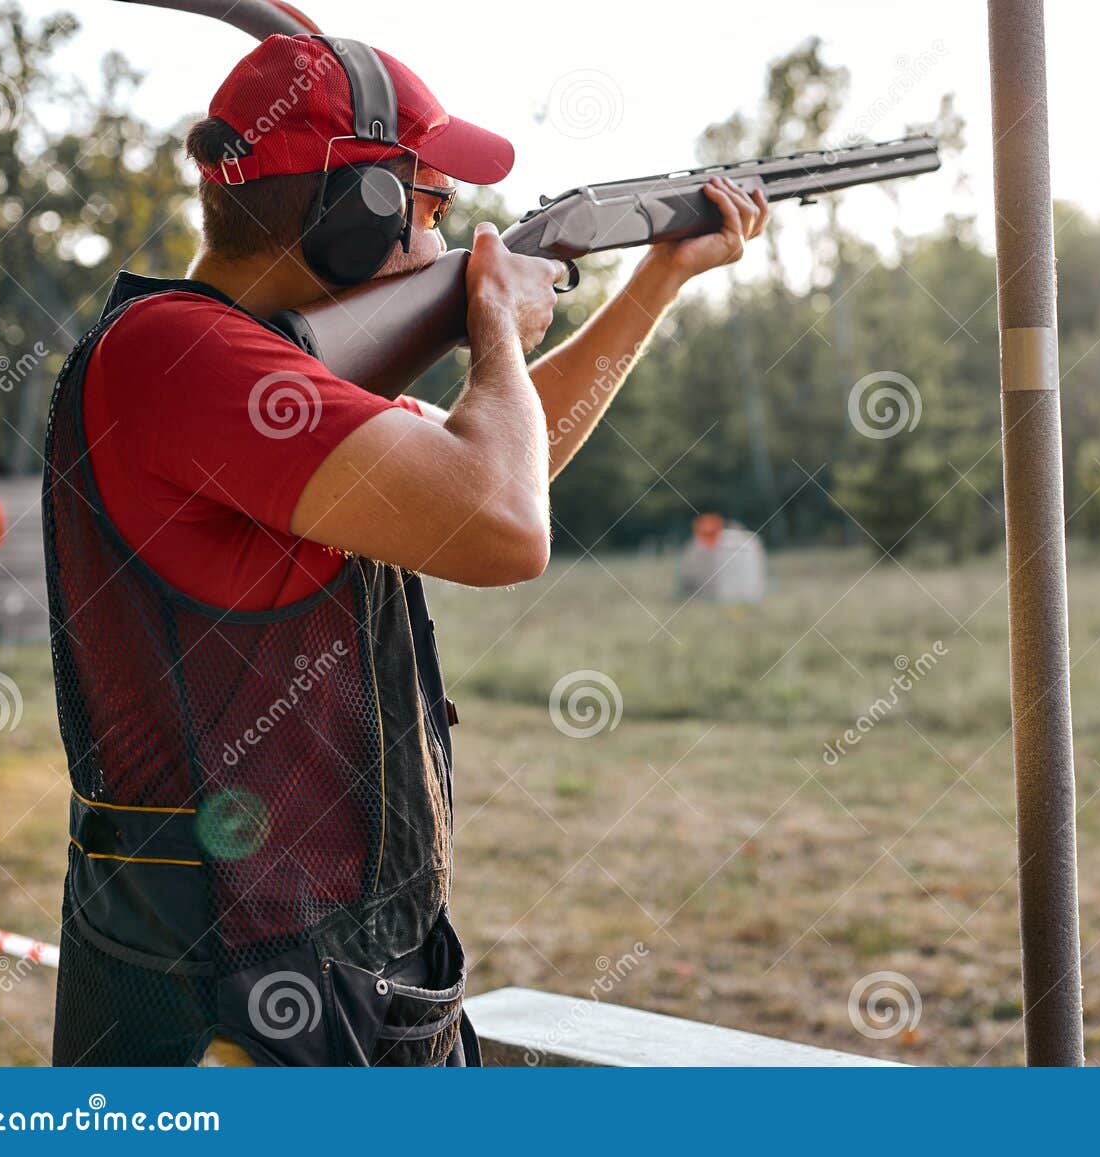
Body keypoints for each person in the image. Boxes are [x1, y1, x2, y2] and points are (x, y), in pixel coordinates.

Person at [42, 32, 767, 1067]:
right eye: (428, 206)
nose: (443, 239)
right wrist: (498, 330)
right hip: (237, 1008)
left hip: (336, 975)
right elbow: (503, 525)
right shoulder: (184, 357)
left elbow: (490, 473)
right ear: (357, 214)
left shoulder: (258, 372)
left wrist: (655, 281)